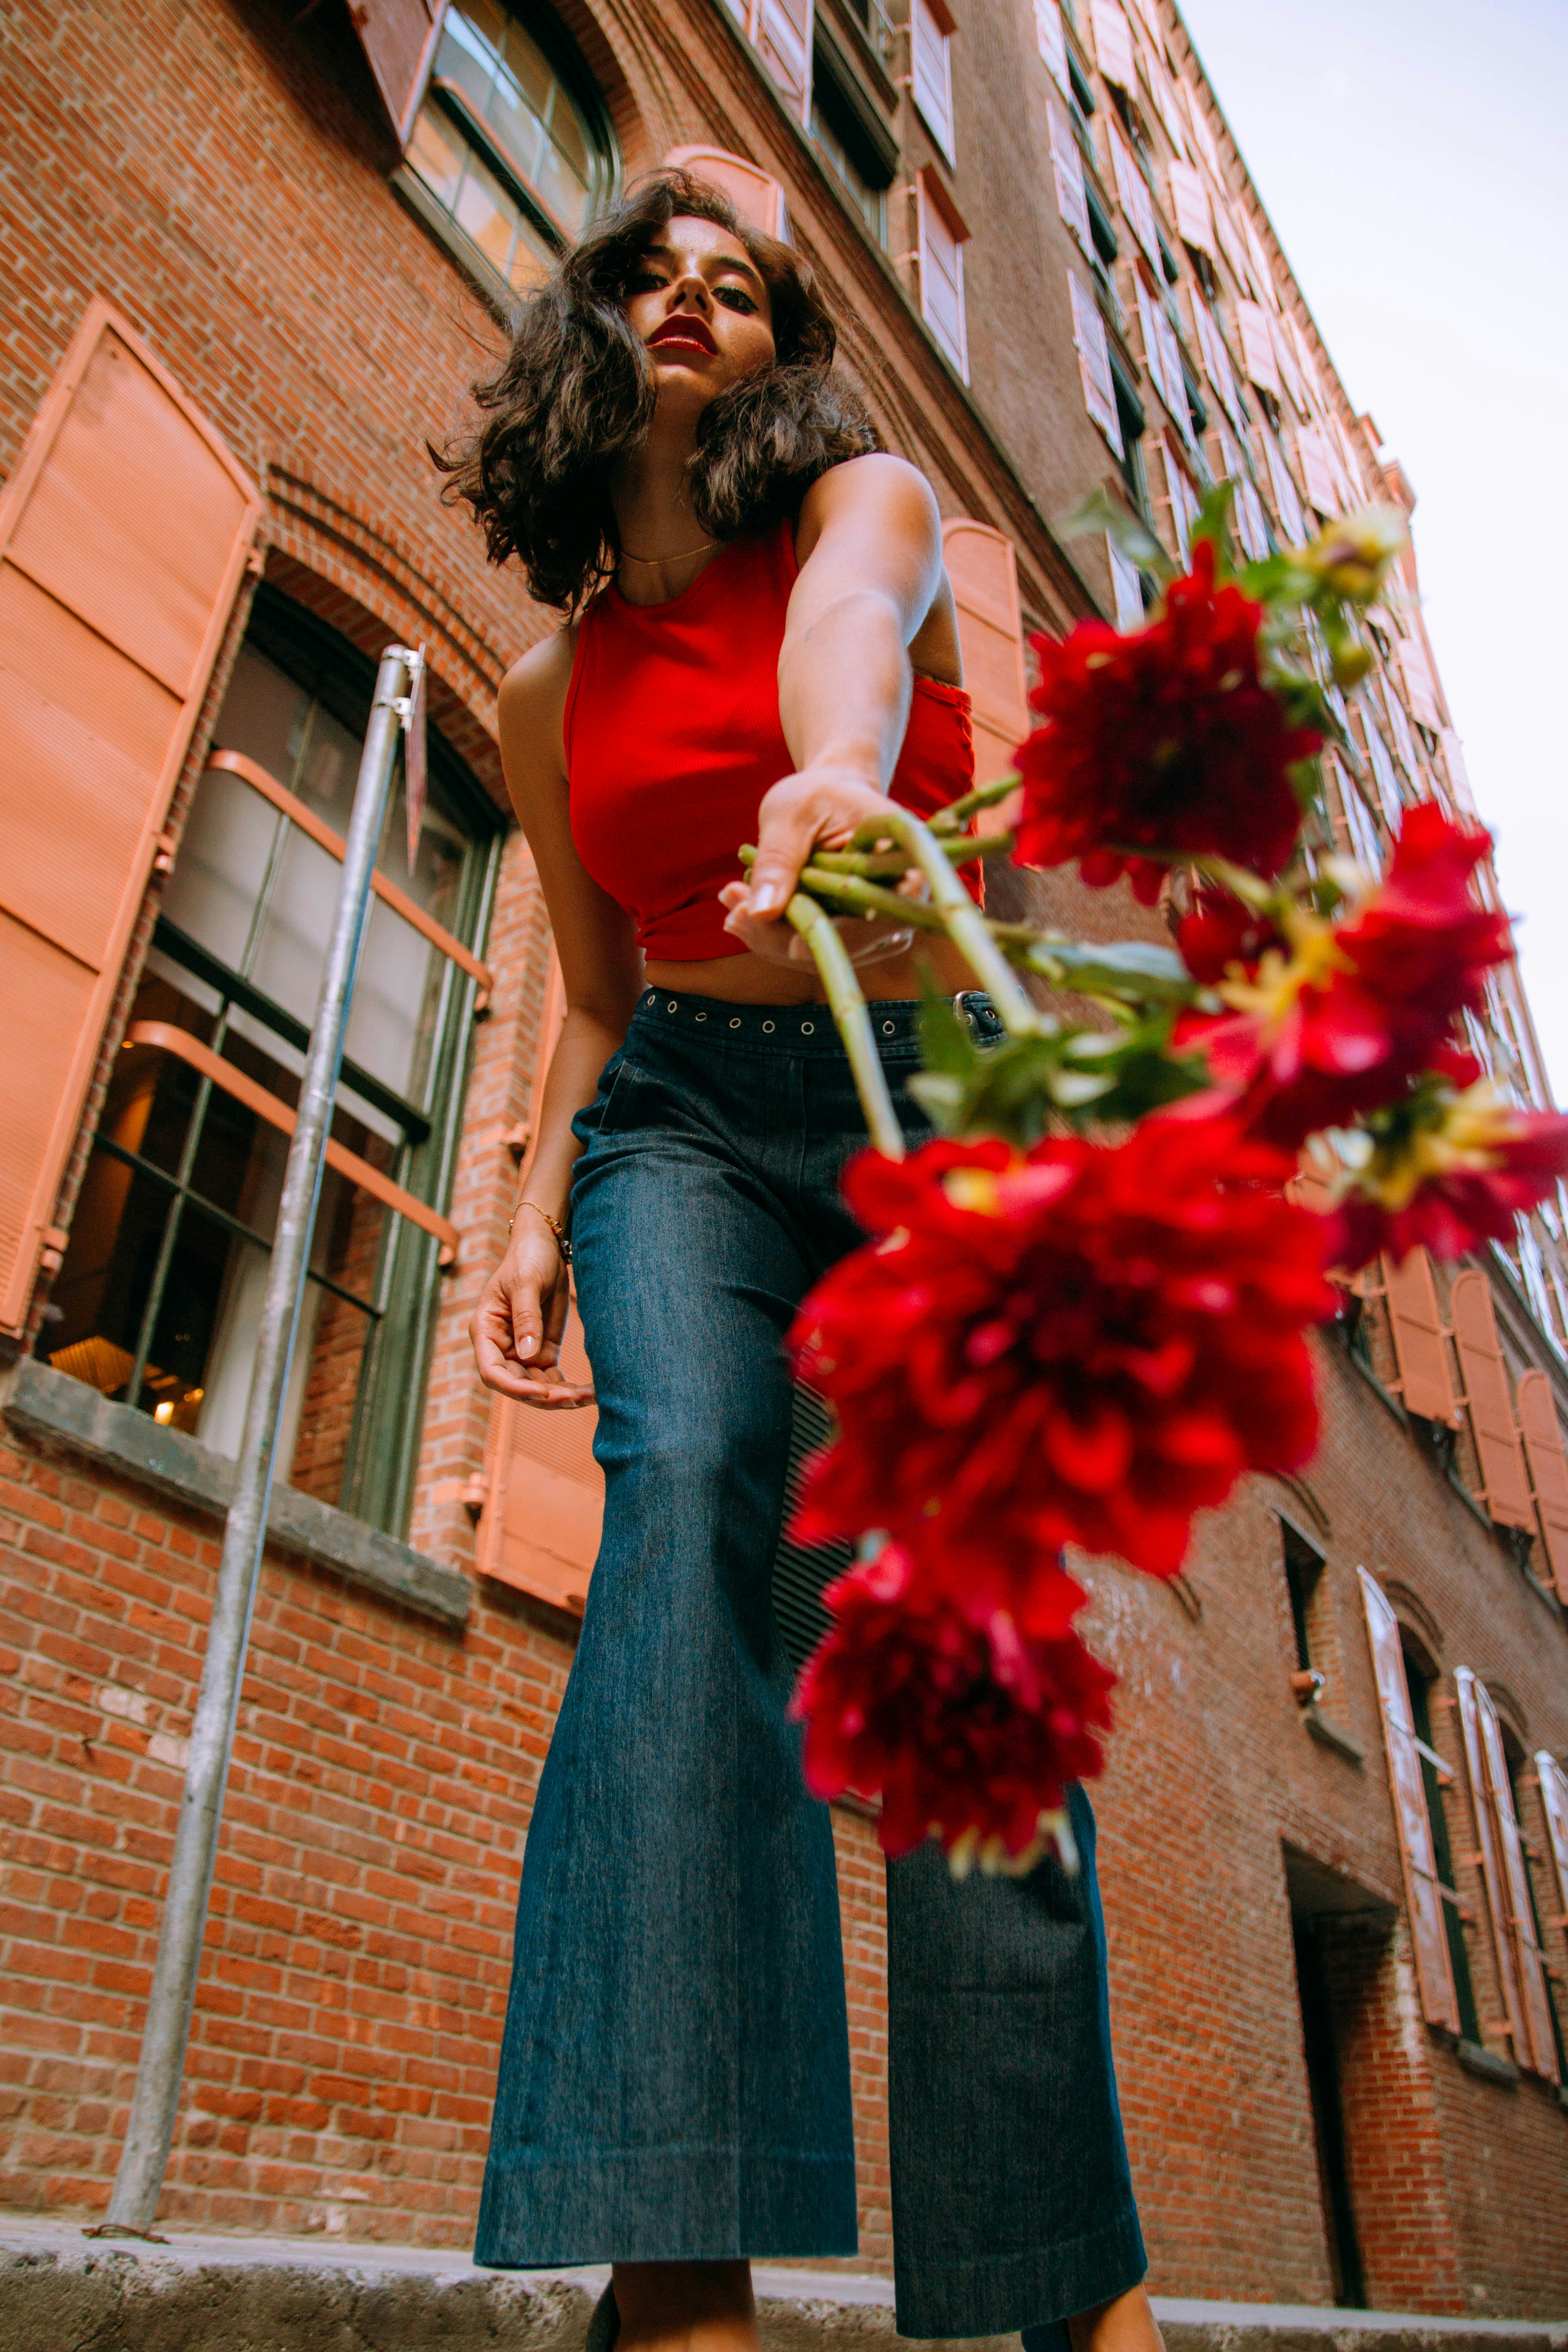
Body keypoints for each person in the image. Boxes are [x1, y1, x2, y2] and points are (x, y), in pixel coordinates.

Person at [442, 168, 1160, 2352]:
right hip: (676, 1132)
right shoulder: (550, 690)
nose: (691, 304)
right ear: (592, 331)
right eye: (651, 274)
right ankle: (680, 2271)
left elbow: (853, 632)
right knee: (689, 1513)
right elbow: (586, 985)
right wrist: (522, 1204)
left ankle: (1067, 2290)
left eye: (738, 287)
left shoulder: (864, 501)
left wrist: (837, 772)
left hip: (909, 1104)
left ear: (777, 356)